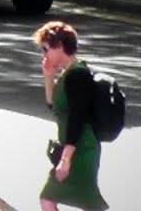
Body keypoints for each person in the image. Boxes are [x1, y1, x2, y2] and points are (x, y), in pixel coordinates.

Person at [34, 20, 108, 211]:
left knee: (49, 198)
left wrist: (66, 160)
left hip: (81, 150)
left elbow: (77, 117)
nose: (44, 55)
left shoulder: (77, 75)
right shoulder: (69, 74)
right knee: (81, 203)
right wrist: (48, 75)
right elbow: (54, 107)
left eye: (46, 49)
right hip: (77, 148)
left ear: (59, 46)